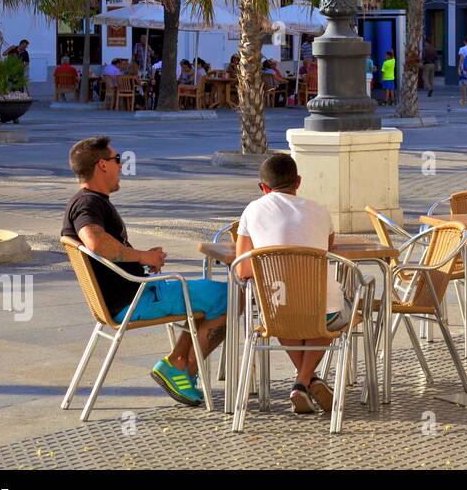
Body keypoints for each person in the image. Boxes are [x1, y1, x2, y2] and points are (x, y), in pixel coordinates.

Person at [61, 136, 227, 407]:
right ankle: (181, 369)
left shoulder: (88, 200)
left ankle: (179, 365)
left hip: (132, 291)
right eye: (117, 160)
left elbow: (105, 248)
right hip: (135, 299)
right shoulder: (88, 204)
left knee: (210, 300)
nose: (121, 166)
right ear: (102, 165)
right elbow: (94, 241)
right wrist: (141, 256)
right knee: (232, 296)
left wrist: (140, 261)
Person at [235, 154, 341, 414]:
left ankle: (304, 380)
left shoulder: (252, 209)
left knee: (279, 308)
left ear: (264, 188)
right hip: (321, 308)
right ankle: (305, 381)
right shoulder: (320, 210)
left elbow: (242, 267)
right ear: (299, 182)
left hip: (278, 310)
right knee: (328, 313)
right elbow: (325, 251)